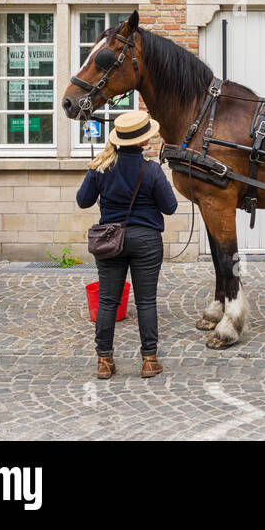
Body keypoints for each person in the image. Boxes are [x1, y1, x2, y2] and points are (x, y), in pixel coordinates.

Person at [77, 110, 178, 380]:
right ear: (144, 141)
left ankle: (104, 361)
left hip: (110, 239)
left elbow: (83, 201)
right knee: (146, 301)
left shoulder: (102, 166)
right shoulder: (152, 170)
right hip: (146, 240)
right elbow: (170, 207)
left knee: (108, 301)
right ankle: (149, 360)